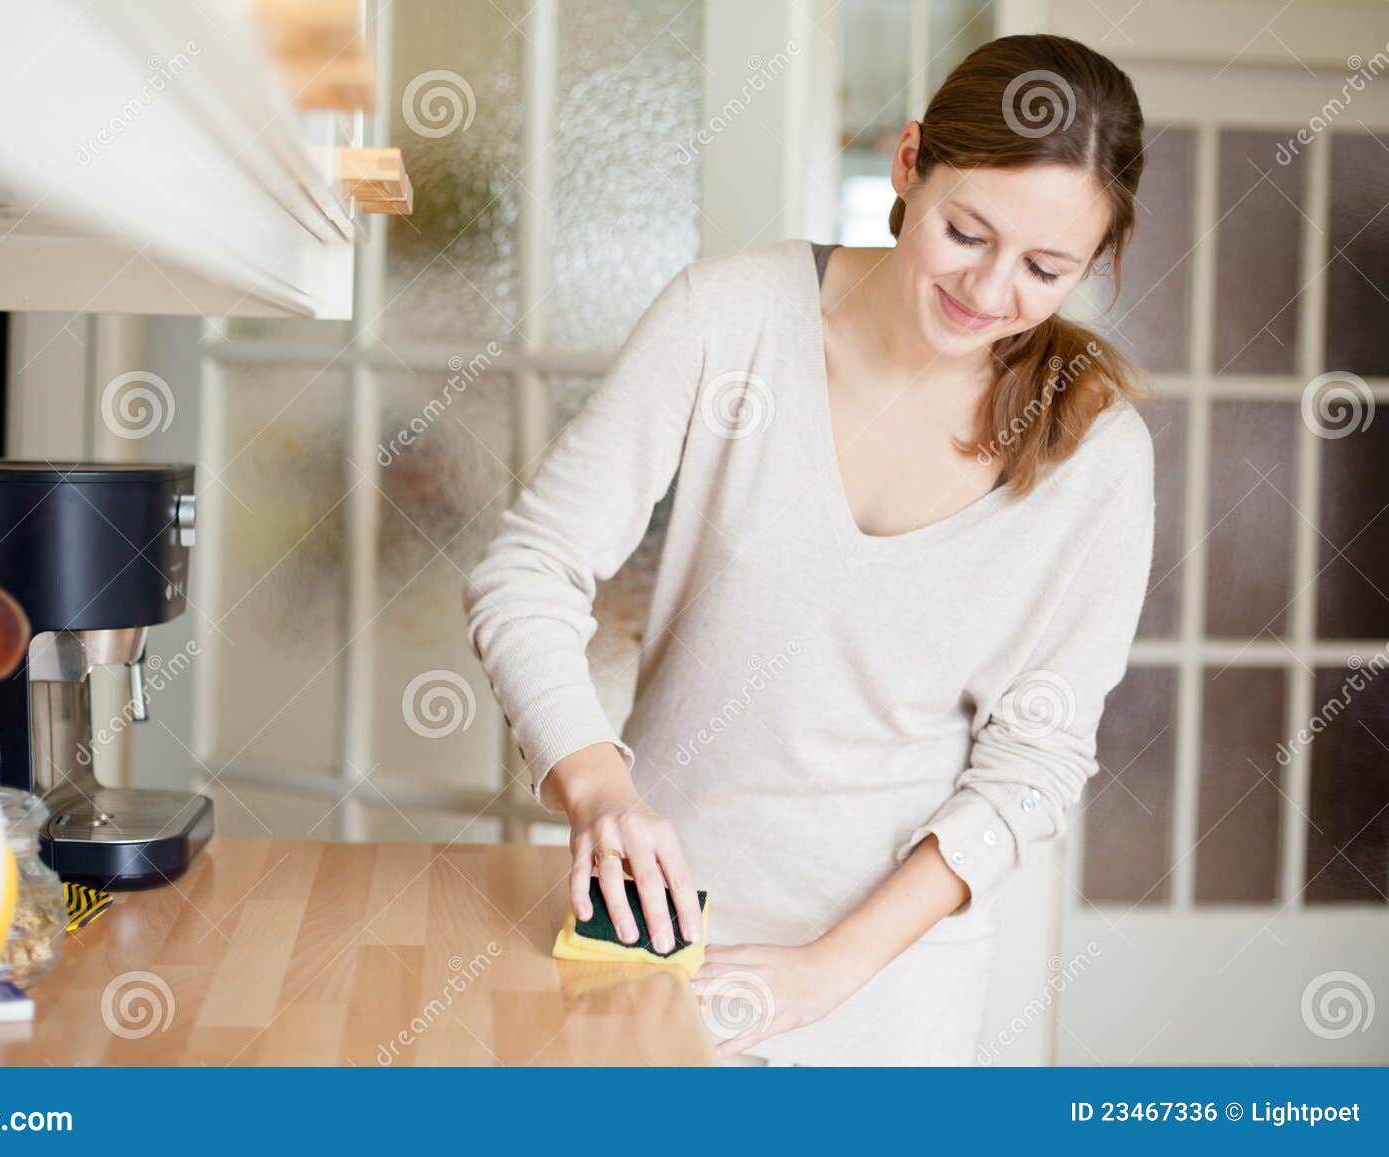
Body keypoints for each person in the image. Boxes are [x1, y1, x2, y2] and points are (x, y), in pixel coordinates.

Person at [463, 32, 1155, 1065]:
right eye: (968, 232)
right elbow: (528, 568)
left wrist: (826, 967)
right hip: (658, 935)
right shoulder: (730, 317)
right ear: (908, 162)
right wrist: (597, 782)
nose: (991, 290)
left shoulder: (1096, 448)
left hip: (892, 989)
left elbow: (1036, 757)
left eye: (1046, 268)